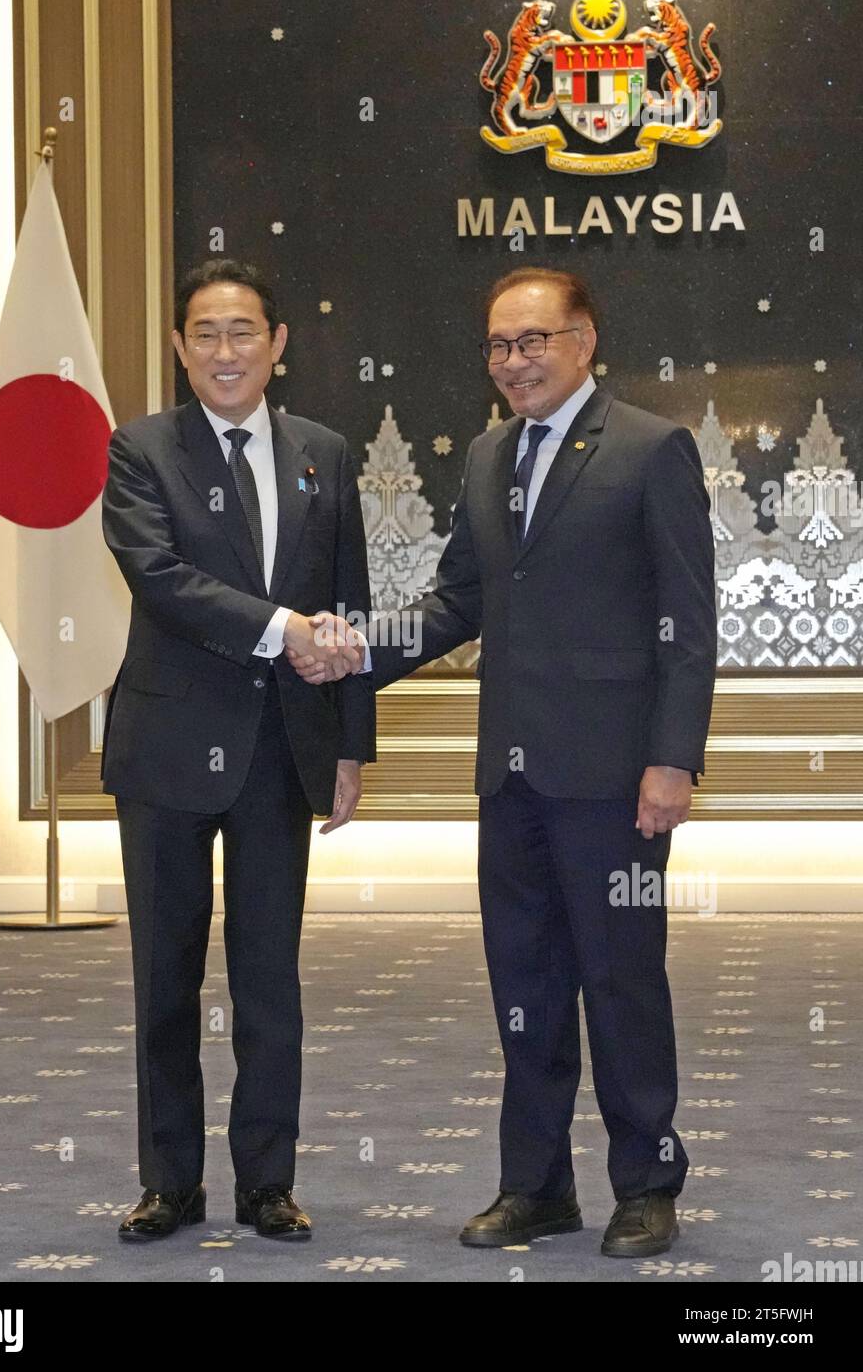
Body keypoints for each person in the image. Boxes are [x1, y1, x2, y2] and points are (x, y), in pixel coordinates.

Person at [288, 267, 716, 1257]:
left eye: (532, 341)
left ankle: (646, 1182)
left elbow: (687, 627)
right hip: (511, 779)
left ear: (583, 342)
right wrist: (355, 647)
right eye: (497, 346)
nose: (513, 362)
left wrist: (672, 760)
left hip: (614, 781)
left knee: (621, 983)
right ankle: (535, 1185)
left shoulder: (653, 449)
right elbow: (455, 604)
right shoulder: (488, 457)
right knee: (521, 984)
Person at [101, 258, 373, 1242]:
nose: (226, 350)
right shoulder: (140, 452)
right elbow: (159, 577)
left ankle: (268, 1181)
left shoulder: (324, 453)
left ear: (278, 343)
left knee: (270, 978)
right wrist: (281, 630)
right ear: (179, 348)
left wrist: (350, 745)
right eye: (206, 333)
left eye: (243, 331)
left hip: (277, 753)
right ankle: (169, 1182)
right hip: (167, 753)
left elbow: (347, 601)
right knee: (164, 975)